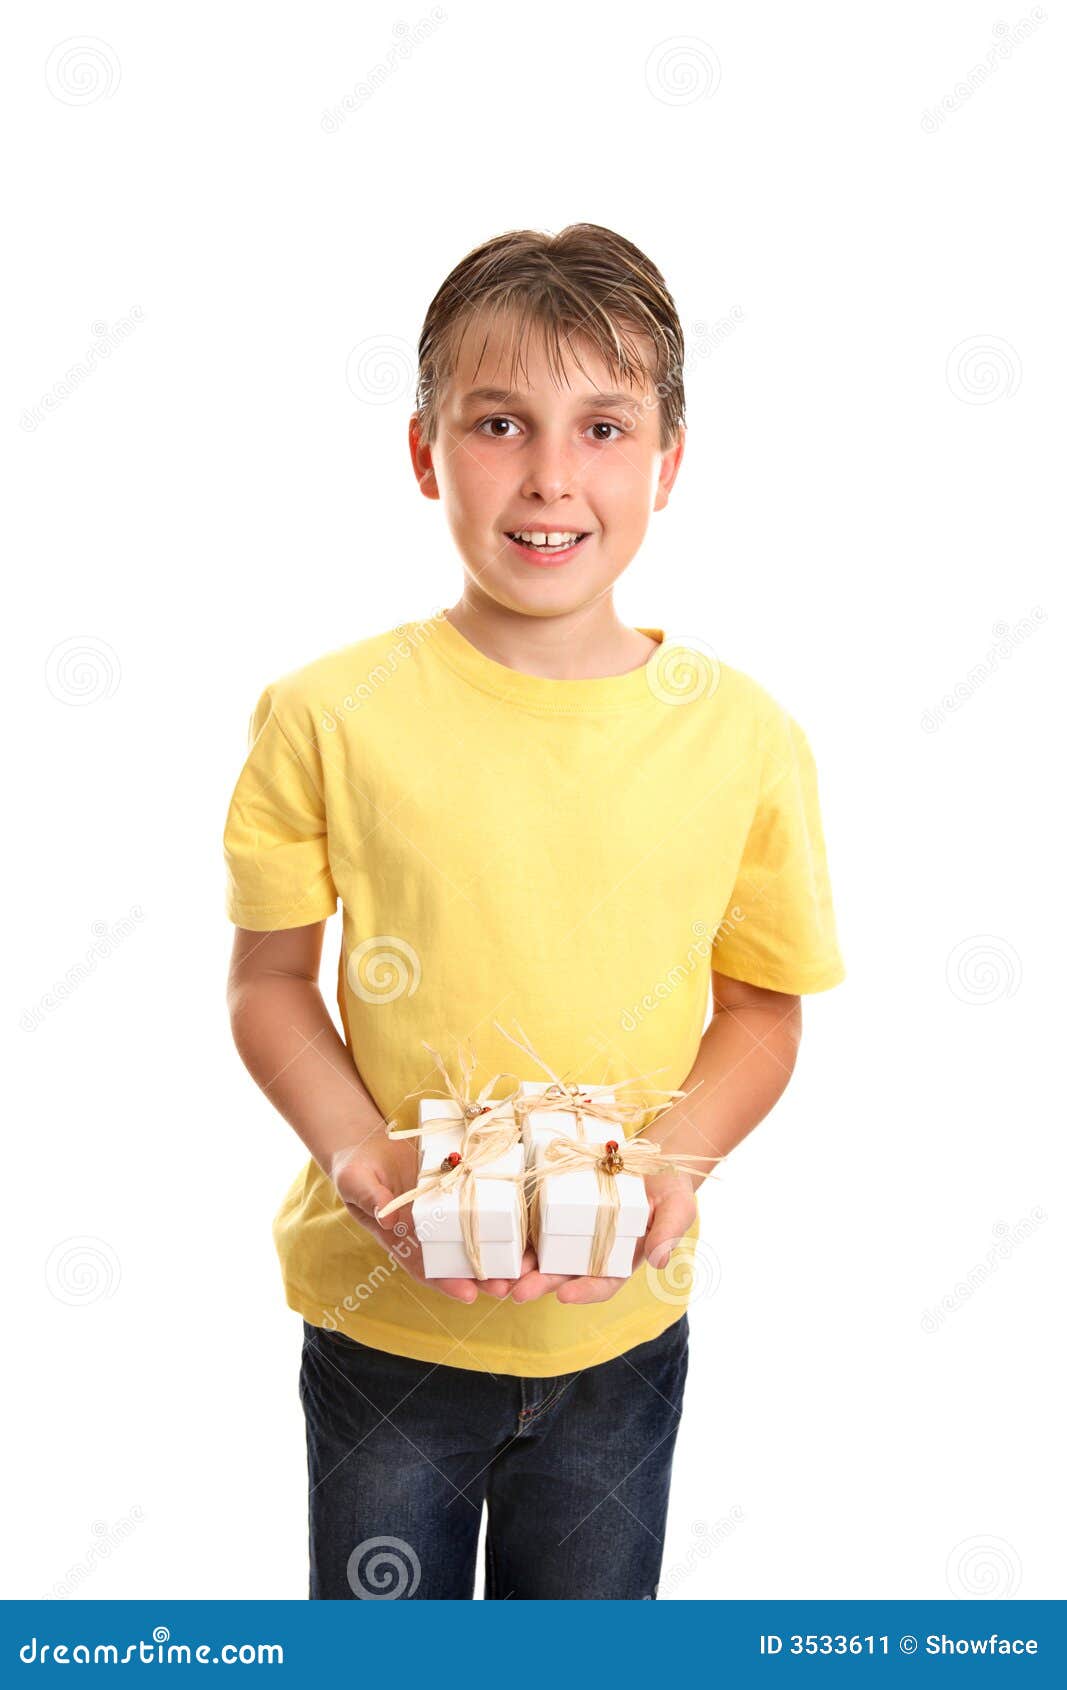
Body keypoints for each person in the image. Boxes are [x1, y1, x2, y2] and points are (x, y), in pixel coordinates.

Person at [222, 224, 846, 1600]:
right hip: (383, 1326)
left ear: (669, 463)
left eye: (605, 427)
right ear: (425, 451)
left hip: (617, 1338)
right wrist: (360, 1158)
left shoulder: (743, 737)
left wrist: (668, 1167)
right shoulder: (326, 715)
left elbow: (761, 1008)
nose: (553, 475)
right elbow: (269, 980)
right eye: (500, 421)